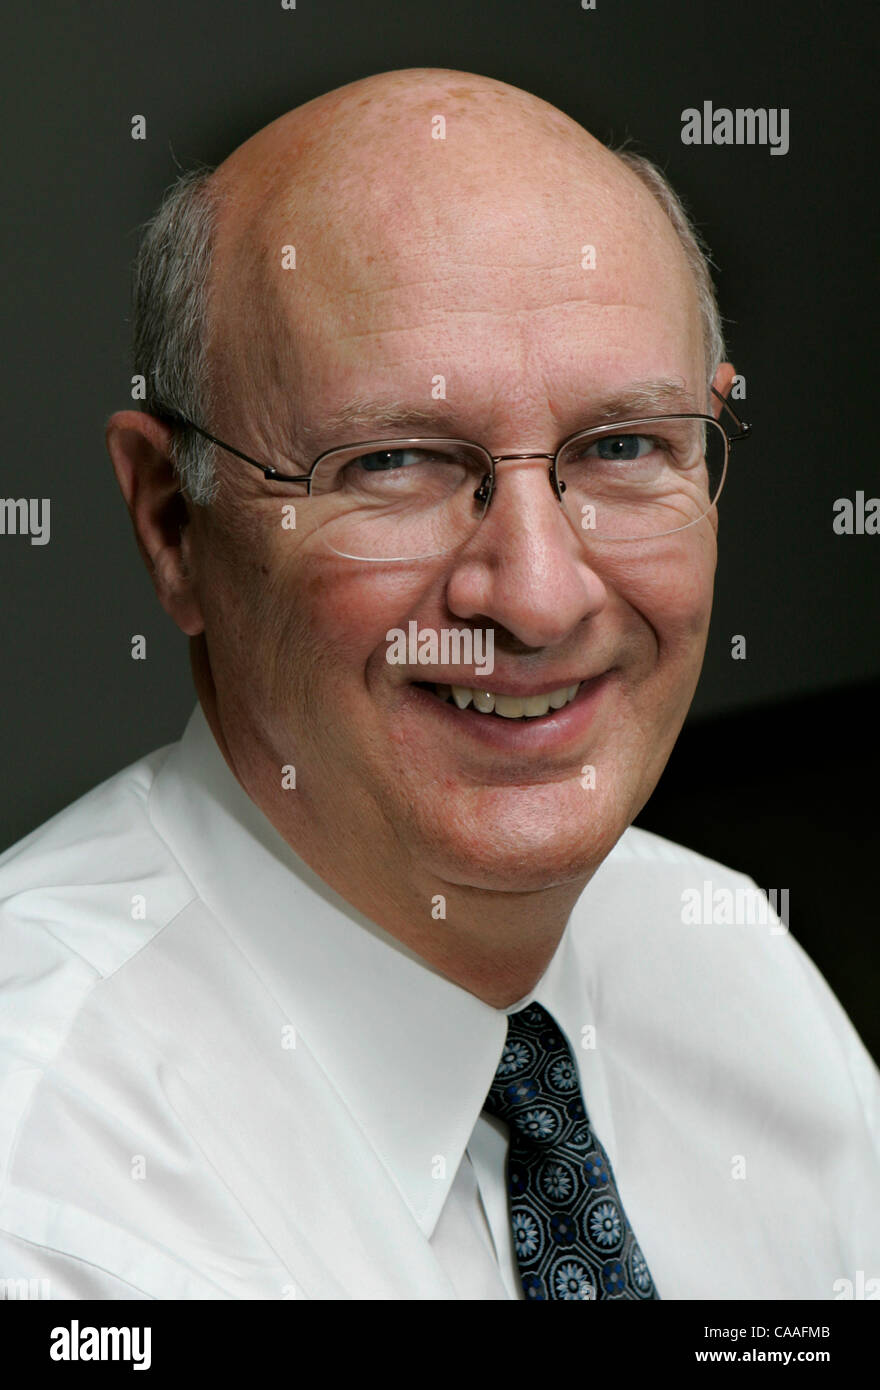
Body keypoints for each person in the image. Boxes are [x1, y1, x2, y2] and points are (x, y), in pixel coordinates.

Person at [0, 67, 876, 1302]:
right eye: (395, 460)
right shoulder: (45, 1183)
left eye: (624, 446)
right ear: (171, 524)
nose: (535, 596)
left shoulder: (731, 967)